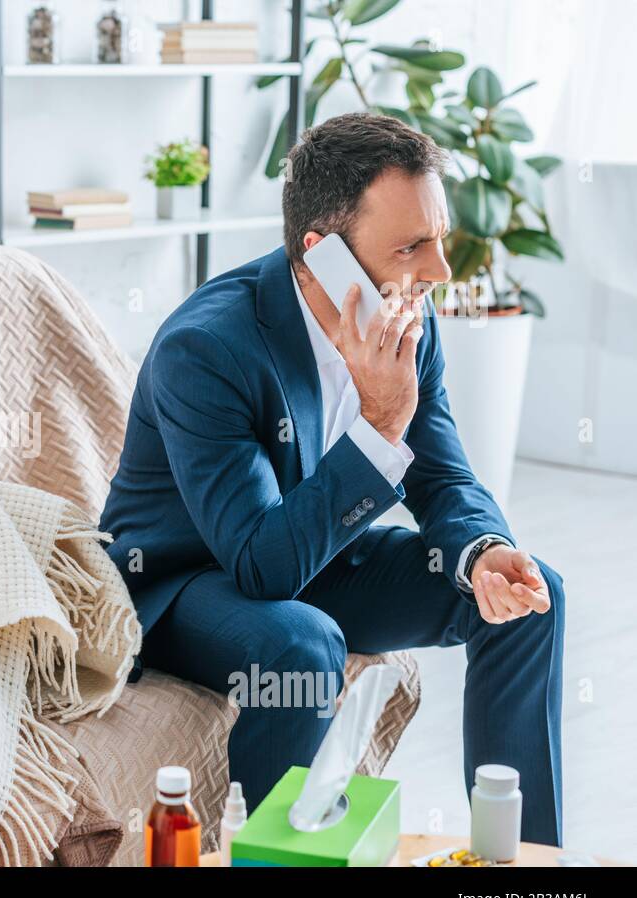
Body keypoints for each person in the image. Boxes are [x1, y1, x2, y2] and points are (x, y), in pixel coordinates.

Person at [99, 112, 565, 845]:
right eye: (413, 246)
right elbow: (261, 565)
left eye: (437, 239)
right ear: (323, 258)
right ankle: (281, 859)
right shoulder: (206, 348)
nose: (441, 273)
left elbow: (443, 473)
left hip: (314, 550)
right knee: (303, 643)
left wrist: (480, 552)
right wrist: (380, 424)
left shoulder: (407, 308)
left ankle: (522, 869)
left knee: (533, 595)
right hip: (190, 578)